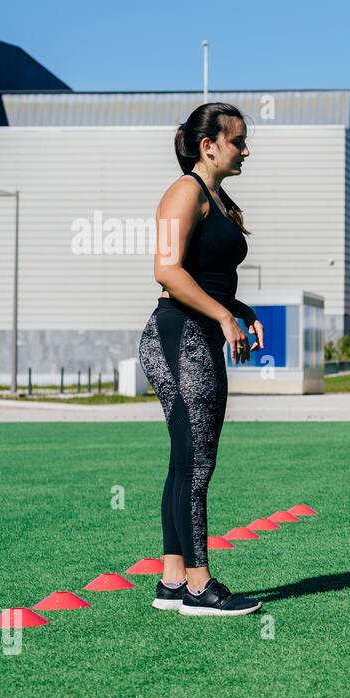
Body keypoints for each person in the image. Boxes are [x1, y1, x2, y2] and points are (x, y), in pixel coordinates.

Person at [137, 102, 264, 616]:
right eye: (238, 141)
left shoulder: (216, 196)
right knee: (196, 461)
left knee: (185, 459)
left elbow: (206, 274)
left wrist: (240, 310)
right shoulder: (182, 192)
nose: (246, 150)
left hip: (197, 333)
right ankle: (198, 585)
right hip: (177, 336)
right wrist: (224, 317)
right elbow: (166, 271)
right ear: (208, 145)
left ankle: (171, 581)